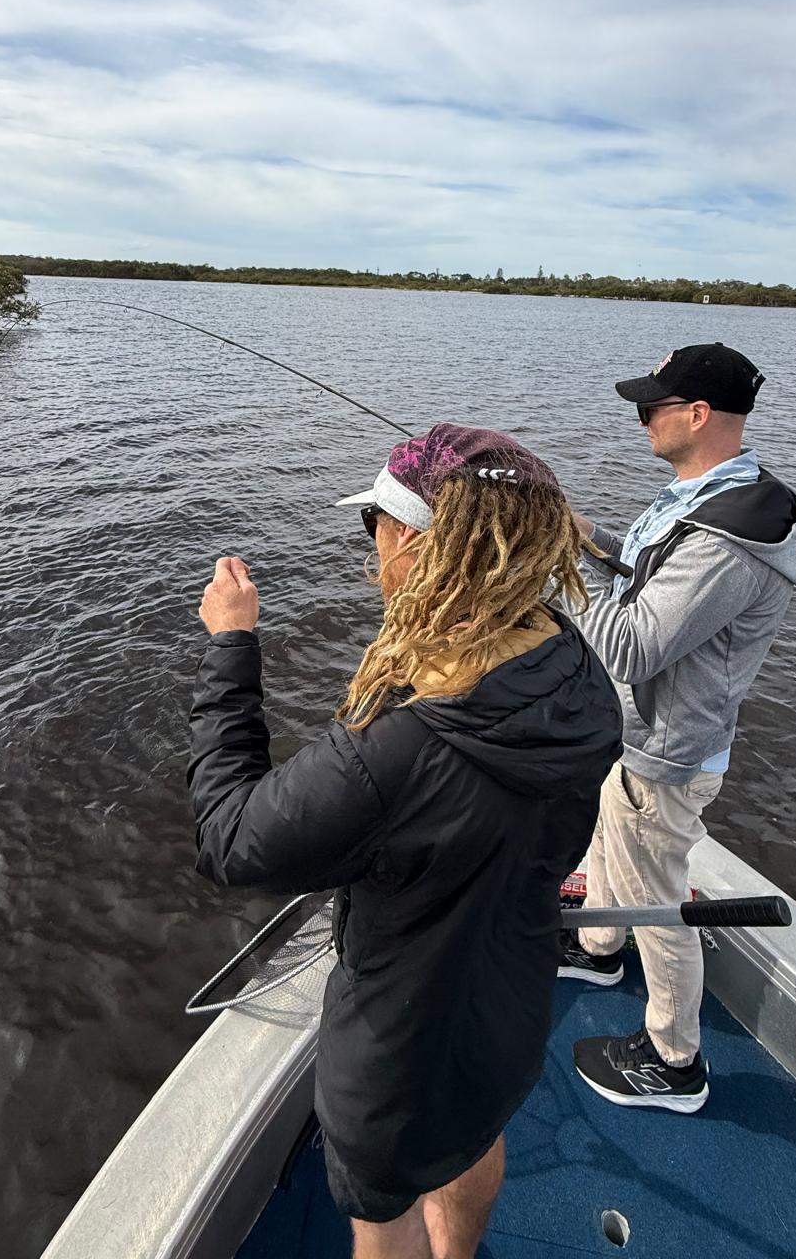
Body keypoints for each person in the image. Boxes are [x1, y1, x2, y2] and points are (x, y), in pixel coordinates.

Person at [188, 424, 621, 1259]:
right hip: (512, 1004)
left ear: (418, 546)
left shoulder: (397, 753)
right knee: (473, 1142)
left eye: (375, 528)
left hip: (396, 1049)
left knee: (380, 1219)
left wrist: (232, 648)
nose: (370, 550)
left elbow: (229, 840)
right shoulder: (575, 669)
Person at [557, 342, 796, 1113]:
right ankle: (598, 950)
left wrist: (548, 574)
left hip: (663, 754)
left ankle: (673, 1060)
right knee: (613, 851)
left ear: (697, 415)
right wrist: (581, 534)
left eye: (651, 408)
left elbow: (632, 643)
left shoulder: (725, 541)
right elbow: (645, 576)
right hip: (632, 736)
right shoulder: (705, 496)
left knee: (655, 905)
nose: (641, 422)